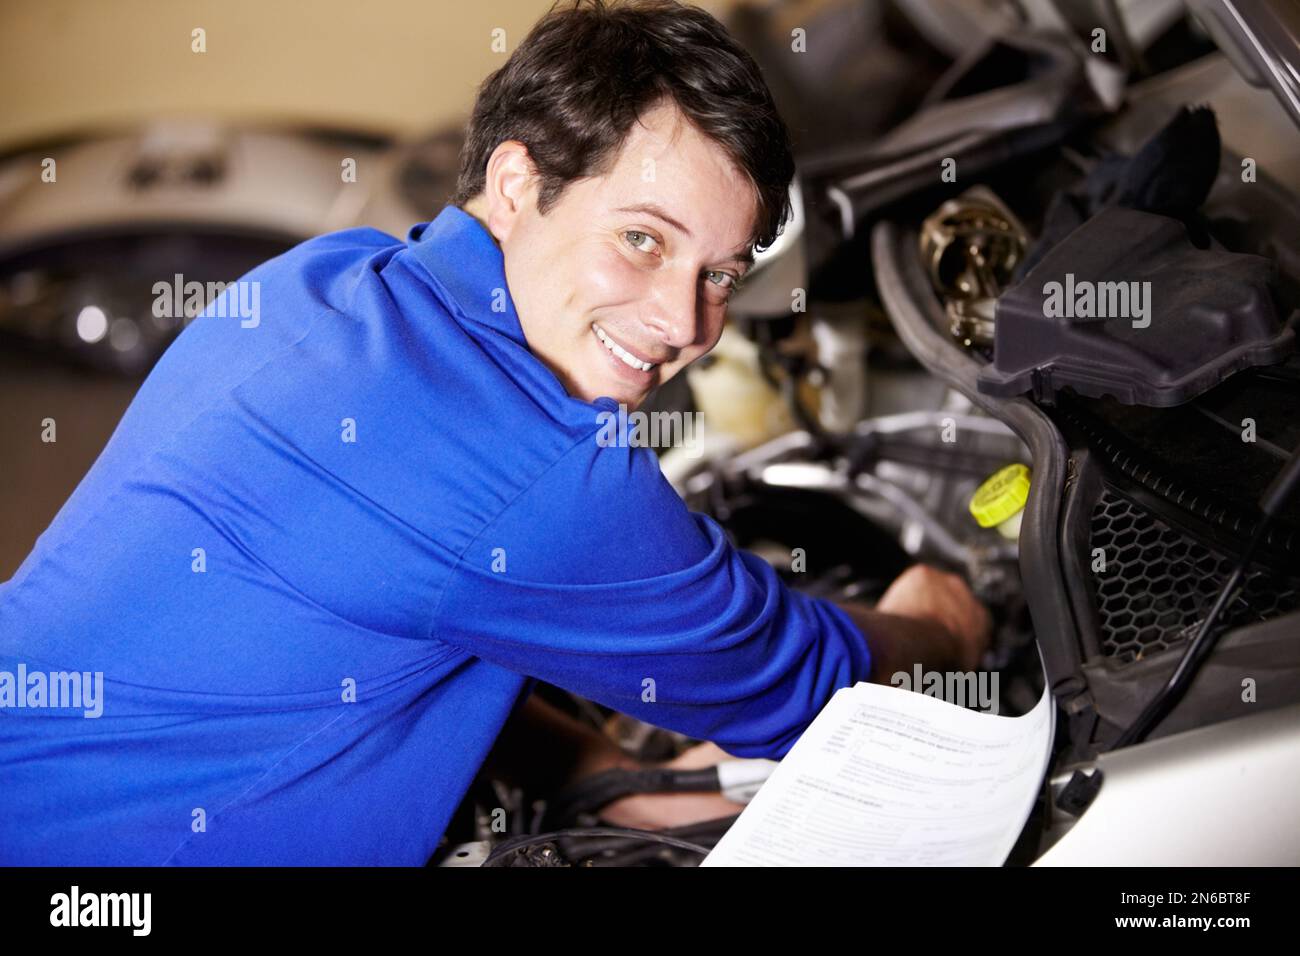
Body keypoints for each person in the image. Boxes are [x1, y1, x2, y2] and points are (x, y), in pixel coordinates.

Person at [0, 0, 989, 865]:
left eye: (720, 274)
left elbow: (399, 612)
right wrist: (940, 621)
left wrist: (602, 770)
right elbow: (795, 677)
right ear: (517, 185)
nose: (686, 323)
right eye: (641, 239)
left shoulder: (329, 275)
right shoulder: (542, 471)